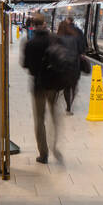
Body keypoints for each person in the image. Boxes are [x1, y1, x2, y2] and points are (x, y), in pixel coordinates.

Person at [21, 13, 73, 164]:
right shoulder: (55, 39)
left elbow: (25, 65)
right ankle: (55, 146)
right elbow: (64, 57)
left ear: (32, 25)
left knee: (39, 120)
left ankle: (43, 154)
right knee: (55, 116)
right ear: (44, 23)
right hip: (54, 85)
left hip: (38, 86)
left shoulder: (30, 43)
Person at [58, 19, 88, 114]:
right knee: (72, 87)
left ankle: (64, 106)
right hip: (74, 66)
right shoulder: (74, 37)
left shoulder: (57, 38)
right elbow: (80, 49)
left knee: (65, 87)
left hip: (63, 66)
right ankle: (69, 106)